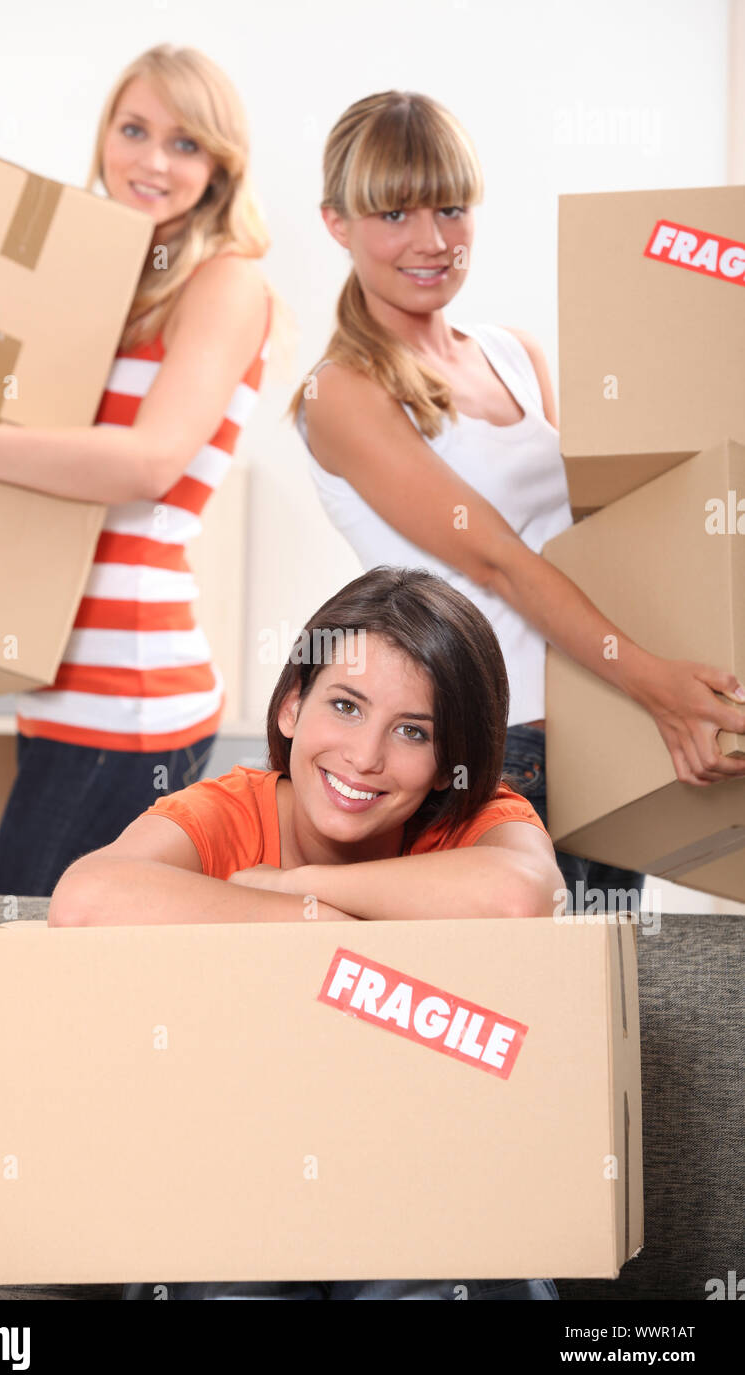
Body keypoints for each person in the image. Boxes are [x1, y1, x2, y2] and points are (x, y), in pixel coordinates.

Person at [49, 564, 565, 1300]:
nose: (365, 757)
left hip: (422, 1187)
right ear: (293, 704)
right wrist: (312, 924)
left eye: (412, 732)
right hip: (233, 1188)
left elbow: (520, 897)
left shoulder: (475, 817)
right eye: (346, 707)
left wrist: (295, 884)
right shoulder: (228, 811)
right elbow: (85, 902)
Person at [288, 90, 745, 907]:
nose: (432, 242)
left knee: (609, 978)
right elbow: (501, 560)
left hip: (596, 720)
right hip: (490, 741)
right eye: (395, 213)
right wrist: (655, 684)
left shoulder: (514, 354)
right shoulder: (342, 391)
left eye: (452, 209)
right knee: (519, 998)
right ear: (336, 223)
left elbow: (591, 536)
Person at [0, 43, 280, 896]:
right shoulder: (99, 283)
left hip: (130, 697)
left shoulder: (225, 282)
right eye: (133, 130)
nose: (150, 160)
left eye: (184, 143)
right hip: (54, 683)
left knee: (9, 952)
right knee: (49, 960)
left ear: (219, 166)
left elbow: (147, 463)